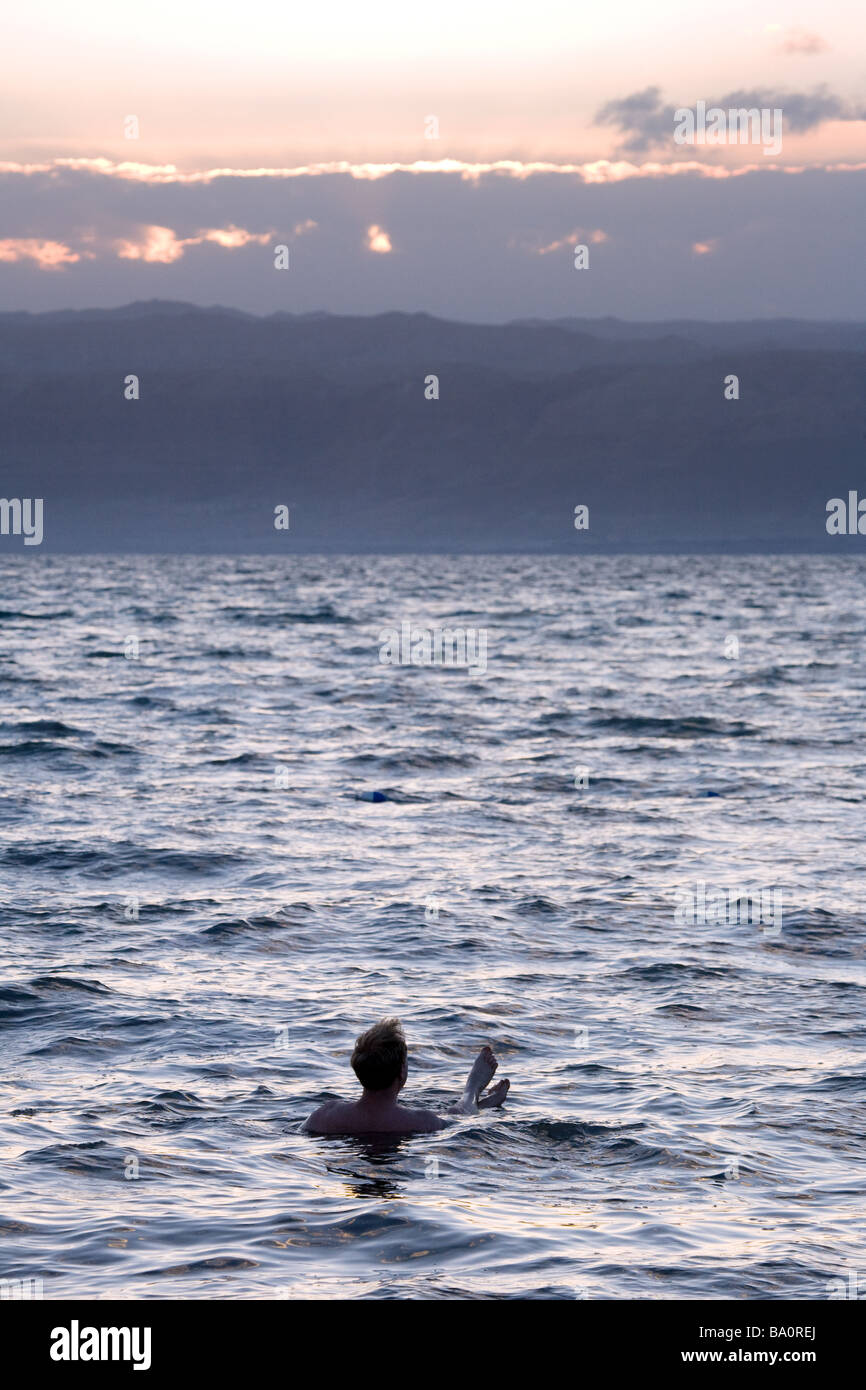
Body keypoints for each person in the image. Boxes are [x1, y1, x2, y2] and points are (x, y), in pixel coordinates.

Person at [303, 1018, 510, 1135]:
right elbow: (459, 1117)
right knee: (458, 1113)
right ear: (402, 1071)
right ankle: (472, 1090)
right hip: (409, 1131)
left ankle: (481, 1106)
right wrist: (472, 1086)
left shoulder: (325, 1116)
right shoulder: (421, 1121)